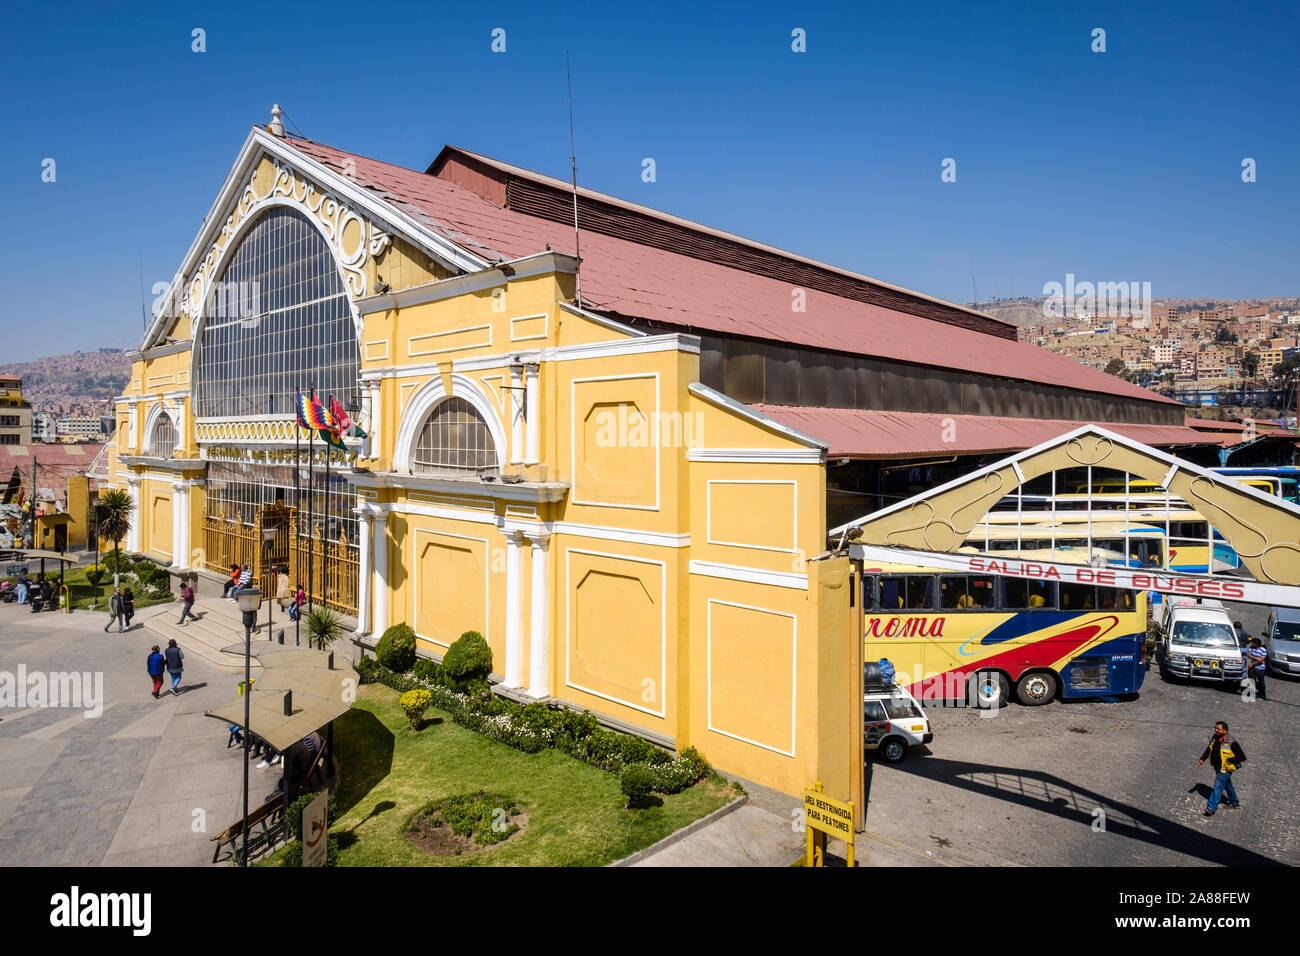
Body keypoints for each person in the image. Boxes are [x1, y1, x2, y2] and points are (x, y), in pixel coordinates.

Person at [1197, 720, 1246, 816]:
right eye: (1215, 728)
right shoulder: (1215, 737)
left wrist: (1230, 760)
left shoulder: (1232, 742)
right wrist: (1202, 759)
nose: (1216, 730)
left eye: (1218, 729)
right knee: (1227, 784)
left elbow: (1242, 757)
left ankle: (1211, 808)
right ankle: (1235, 802)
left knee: (1218, 786)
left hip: (1225, 768)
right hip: (1216, 766)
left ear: (1225, 730)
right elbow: (1209, 748)